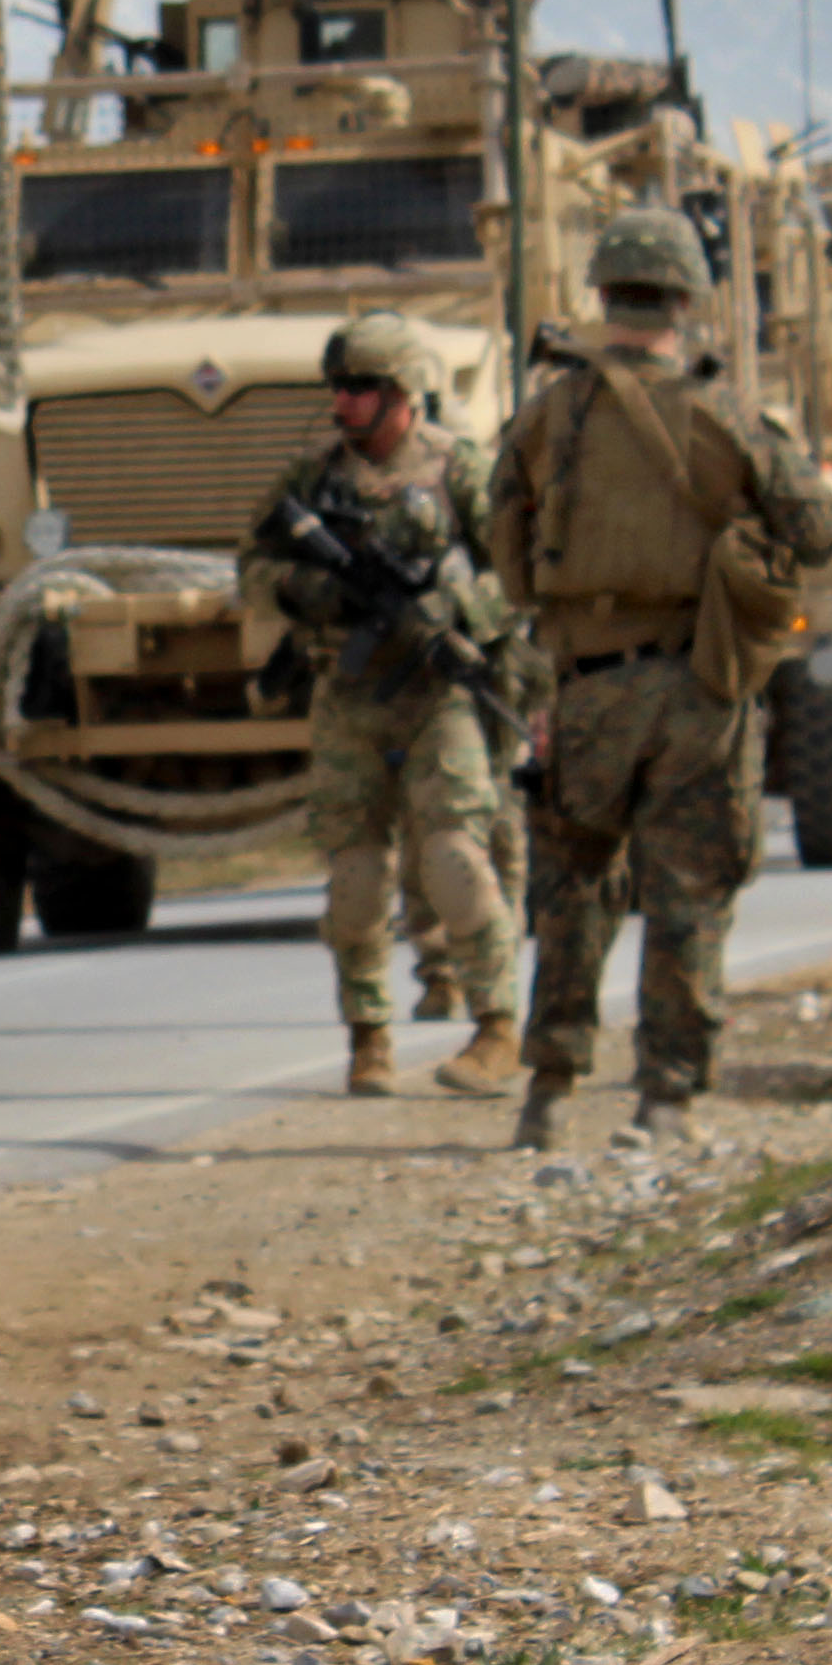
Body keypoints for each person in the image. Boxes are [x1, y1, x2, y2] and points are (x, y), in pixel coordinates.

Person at [483, 206, 832, 1155]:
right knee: (687, 891)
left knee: (571, 887)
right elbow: (817, 530)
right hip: (700, 685)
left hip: (583, 684)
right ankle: (664, 1101)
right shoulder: (721, 414)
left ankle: (549, 1093)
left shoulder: (548, 413)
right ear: (685, 299)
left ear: (601, 294)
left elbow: (500, 537)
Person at [244, 313, 526, 1097]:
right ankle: (369, 1039)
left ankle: (496, 1027)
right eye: (339, 386)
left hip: (438, 693)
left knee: (452, 858)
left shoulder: (460, 470)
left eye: (362, 386)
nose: (345, 400)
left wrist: (458, 612)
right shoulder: (310, 482)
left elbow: (523, 572)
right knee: (356, 877)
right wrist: (312, 590)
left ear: (403, 392)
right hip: (348, 693)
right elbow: (254, 568)